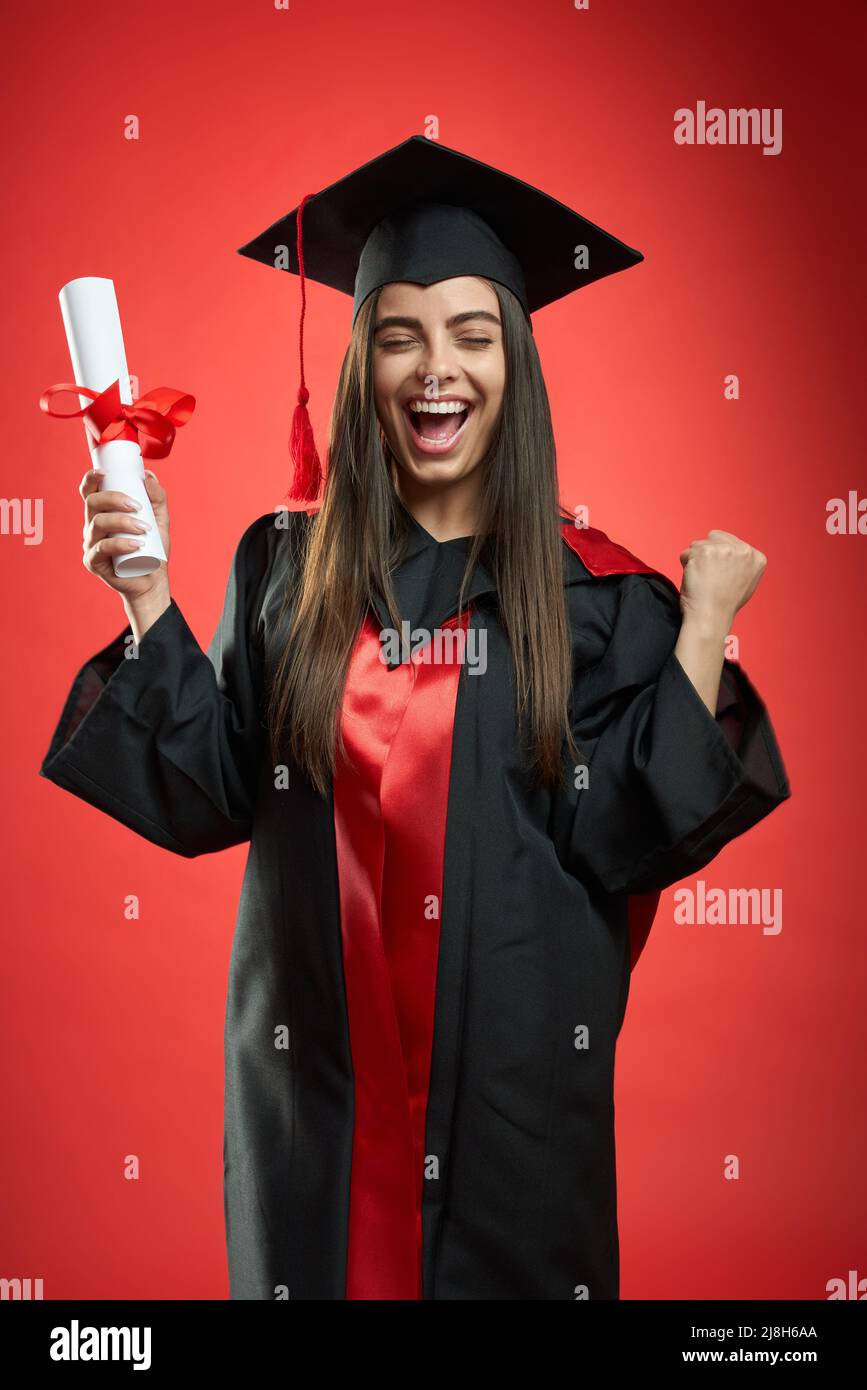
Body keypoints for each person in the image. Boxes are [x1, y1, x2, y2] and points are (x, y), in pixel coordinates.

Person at [39, 135, 792, 1301]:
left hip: (515, 1135)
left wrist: (702, 628)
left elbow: (636, 830)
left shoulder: (596, 598)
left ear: (516, 366)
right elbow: (209, 787)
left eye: (472, 334)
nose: (435, 368)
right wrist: (147, 599)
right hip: (316, 1125)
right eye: (399, 334)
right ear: (359, 367)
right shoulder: (285, 570)